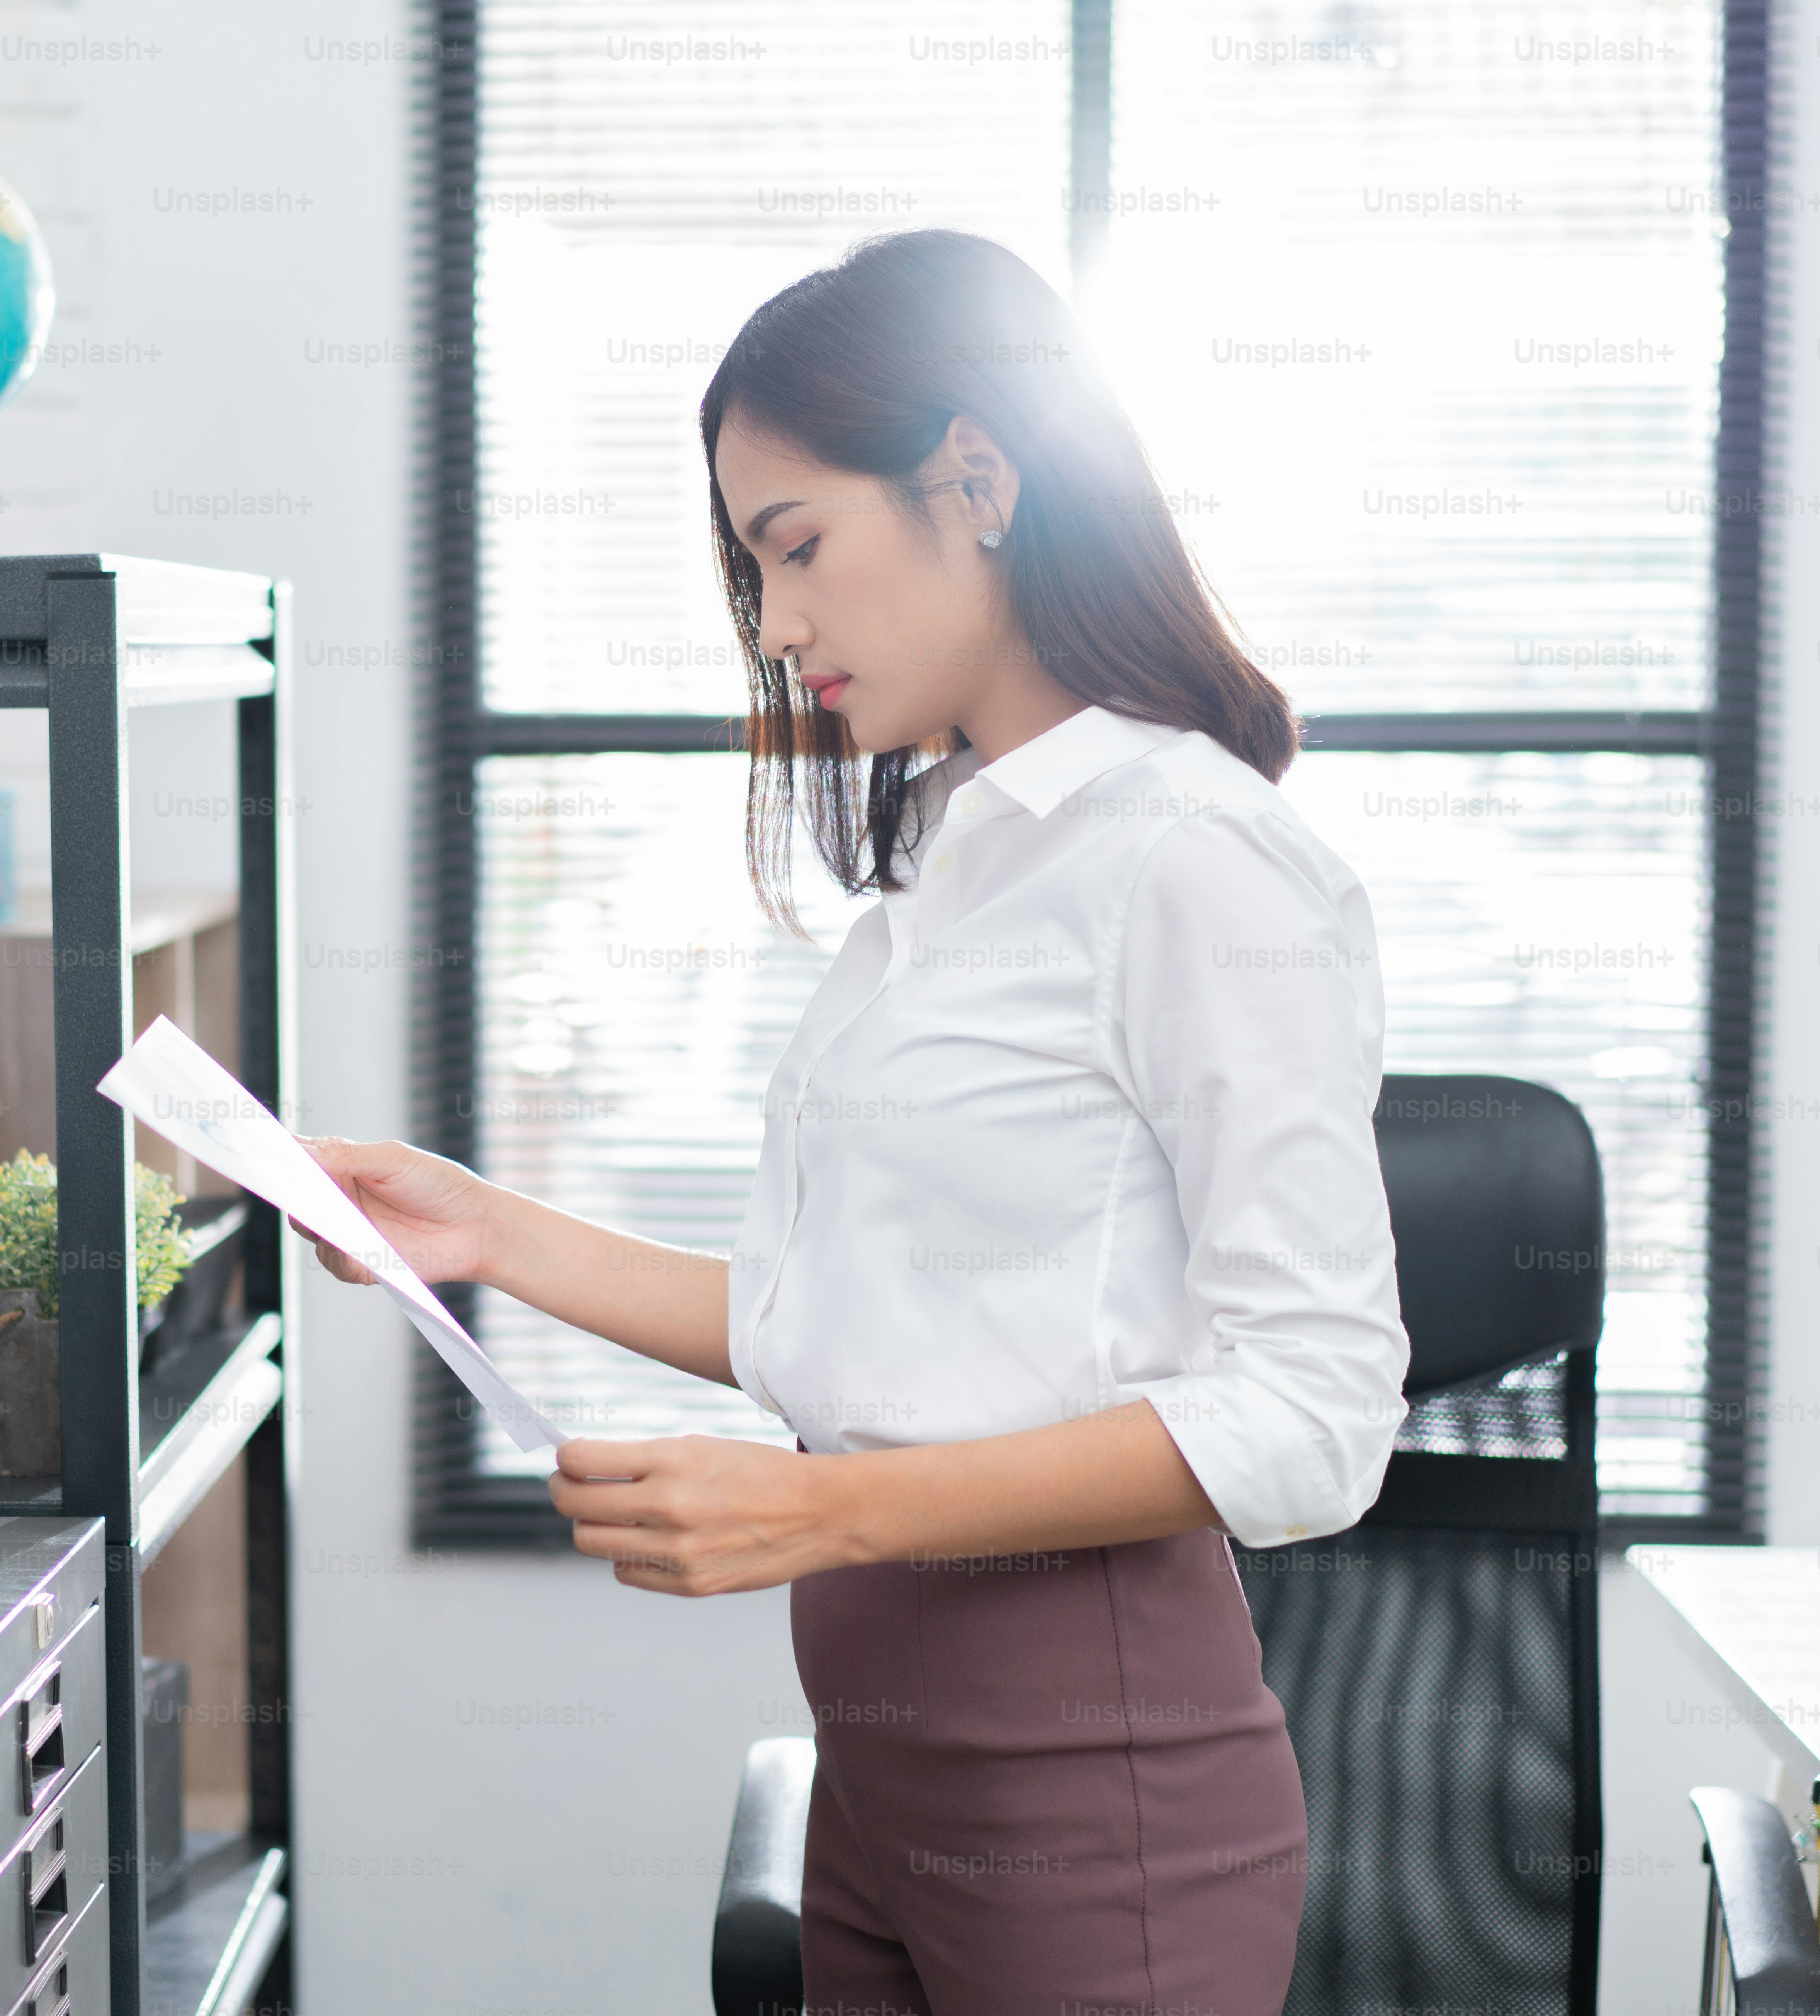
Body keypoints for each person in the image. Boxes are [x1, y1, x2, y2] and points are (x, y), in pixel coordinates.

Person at [299, 229, 1409, 2016]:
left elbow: (1315, 1411)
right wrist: (487, 1233)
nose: (779, 627)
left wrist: (827, 1517)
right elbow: (858, 1326)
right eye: (755, 572)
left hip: (1091, 1789)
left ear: (978, 478)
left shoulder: (1196, 862)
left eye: (796, 548)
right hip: (887, 1772)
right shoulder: (969, 861)